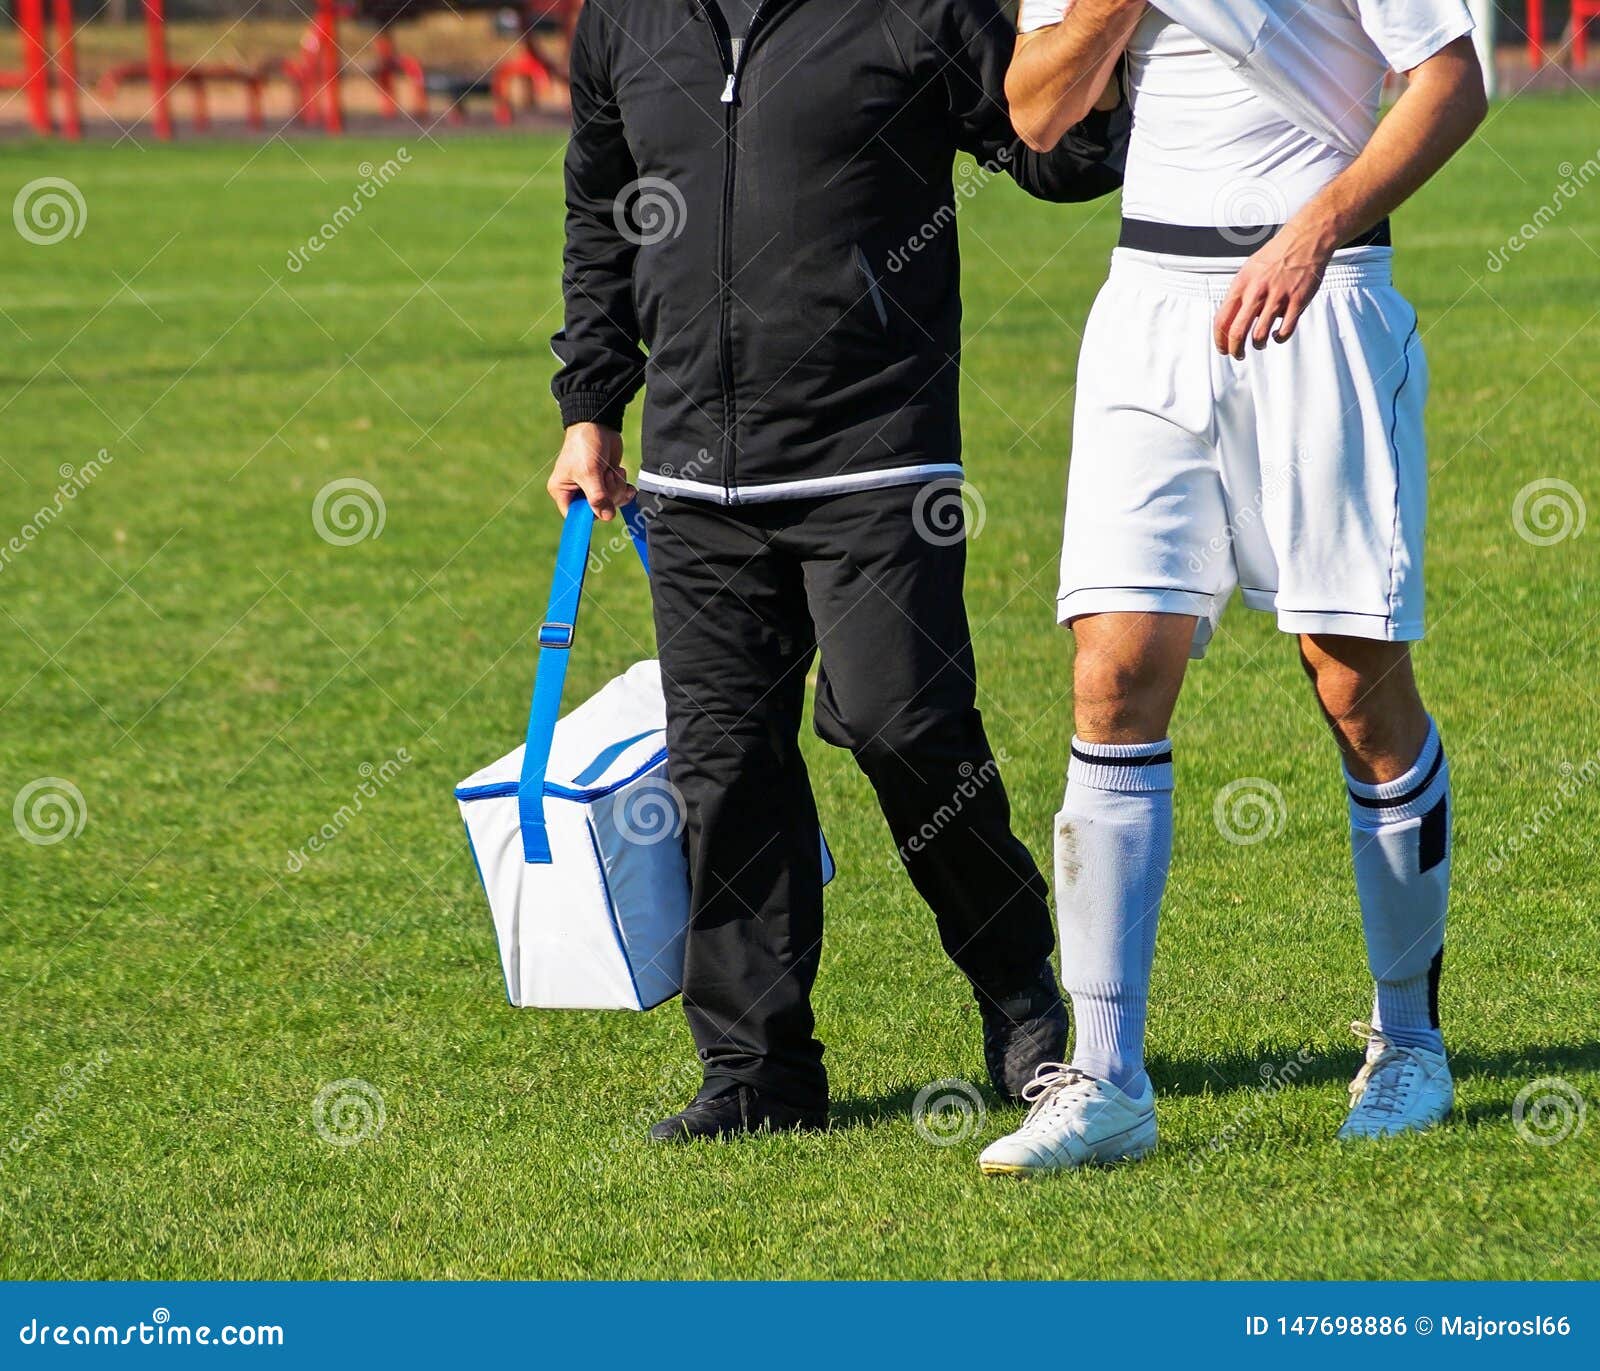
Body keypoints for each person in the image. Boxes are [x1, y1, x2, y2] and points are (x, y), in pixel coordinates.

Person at [547, 0, 1129, 1141]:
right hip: (694, 477)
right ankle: (757, 1072)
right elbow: (599, 215)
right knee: (721, 771)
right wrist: (588, 409)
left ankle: (1019, 993)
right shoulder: (623, 18)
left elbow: (1050, 153)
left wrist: (1095, 49)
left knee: (900, 725)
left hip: (878, 455)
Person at [978, 0, 1486, 1175]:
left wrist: (1314, 231)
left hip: (1324, 292)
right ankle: (1105, 1081)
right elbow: (1037, 112)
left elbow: (1449, 83)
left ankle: (1407, 1041)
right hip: (1147, 309)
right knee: (1112, 672)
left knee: (1353, 683)